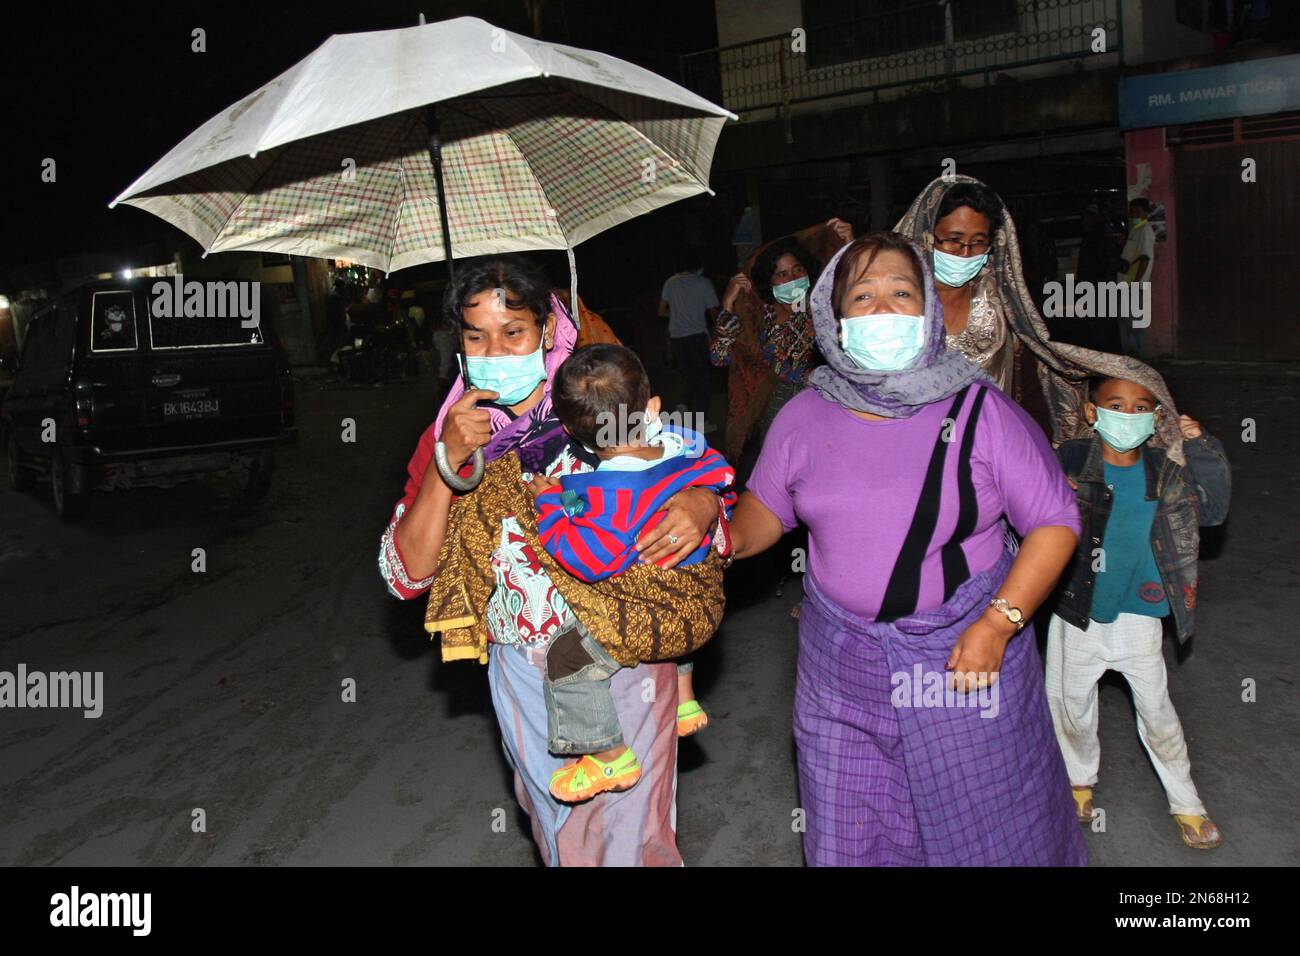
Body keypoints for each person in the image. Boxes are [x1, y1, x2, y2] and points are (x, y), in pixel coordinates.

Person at [723, 231, 1087, 866]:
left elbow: (1055, 521)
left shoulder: (980, 411)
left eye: (901, 293)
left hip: (962, 656)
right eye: (863, 296)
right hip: (838, 665)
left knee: (986, 833)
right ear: (832, 319)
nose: (884, 310)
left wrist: (1000, 625)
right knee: (850, 828)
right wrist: (710, 531)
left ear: (926, 313)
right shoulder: (804, 415)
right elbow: (764, 512)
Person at [379, 256, 721, 866]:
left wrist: (702, 500)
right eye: (475, 335)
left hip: (630, 649)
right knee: (562, 829)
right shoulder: (452, 433)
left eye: (513, 332)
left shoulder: (599, 403)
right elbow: (407, 574)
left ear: (549, 329)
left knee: (638, 830)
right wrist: (444, 462)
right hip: (522, 672)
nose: (496, 350)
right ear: (456, 344)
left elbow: (689, 468)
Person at [530, 344, 736, 803]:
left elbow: (588, 558)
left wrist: (549, 507)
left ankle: (608, 756)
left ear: (570, 433)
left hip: (656, 627)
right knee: (674, 586)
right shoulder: (688, 448)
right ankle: (684, 695)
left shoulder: (601, 494)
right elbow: (723, 473)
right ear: (654, 408)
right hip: (704, 614)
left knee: (567, 657)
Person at [1045, 374, 1230, 850]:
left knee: (1157, 711)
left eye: (1139, 408)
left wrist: (1202, 446)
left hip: (1138, 614)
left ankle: (1186, 801)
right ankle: (1077, 781)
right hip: (1078, 609)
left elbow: (1210, 511)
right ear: (1093, 412)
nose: (1126, 416)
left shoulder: (1165, 471)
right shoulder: (1068, 460)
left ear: (1156, 418)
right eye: (1115, 405)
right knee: (1070, 706)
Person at [896, 176, 1188, 456]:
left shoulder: (1000, 300)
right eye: (952, 240)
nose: (965, 253)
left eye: (978, 242)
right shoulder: (894, 301)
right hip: (913, 444)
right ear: (926, 236)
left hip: (988, 446)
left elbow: (1032, 375)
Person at [711, 218, 852, 469]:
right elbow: (719, 358)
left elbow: (858, 291)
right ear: (770, 281)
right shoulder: (759, 317)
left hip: (825, 408)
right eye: (782, 274)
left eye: (798, 270)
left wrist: (849, 244)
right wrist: (728, 304)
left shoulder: (823, 307)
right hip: (777, 416)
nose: (793, 278)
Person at [659, 247, 719, 428]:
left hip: (677, 337)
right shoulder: (703, 283)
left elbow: (661, 311)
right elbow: (714, 312)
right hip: (697, 337)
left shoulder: (670, 282)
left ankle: (682, 405)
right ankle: (703, 423)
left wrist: (678, 316)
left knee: (688, 374)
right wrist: (718, 330)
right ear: (700, 266)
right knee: (703, 379)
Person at [1117, 197, 1156, 358]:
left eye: (1137, 211)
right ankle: (1132, 359)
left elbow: (1145, 259)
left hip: (1134, 286)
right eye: (1132, 211)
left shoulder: (1145, 231)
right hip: (1127, 284)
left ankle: (1138, 359)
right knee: (1125, 322)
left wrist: (1134, 284)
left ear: (1145, 213)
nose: (1133, 214)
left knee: (1134, 325)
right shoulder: (1136, 230)